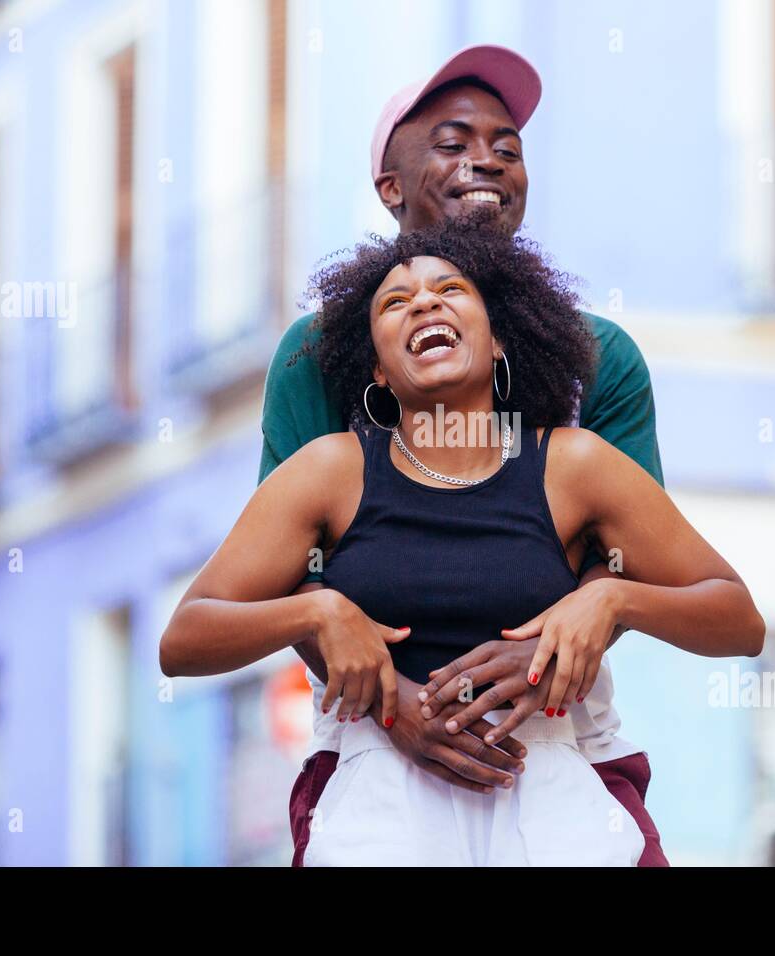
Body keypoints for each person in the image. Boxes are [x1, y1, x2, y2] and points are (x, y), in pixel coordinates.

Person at [160, 218, 765, 865]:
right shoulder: (328, 472)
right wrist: (317, 611)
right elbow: (183, 641)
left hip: (552, 802)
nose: (424, 302)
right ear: (377, 370)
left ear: (499, 340)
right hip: (381, 805)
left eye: (450, 290)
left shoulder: (576, 464)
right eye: (395, 302)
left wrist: (614, 599)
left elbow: (738, 619)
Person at [259, 45, 672, 865]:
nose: (486, 159)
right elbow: (285, 572)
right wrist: (394, 707)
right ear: (391, 187)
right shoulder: (317, 354)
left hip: (559, 744)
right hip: (373, 758)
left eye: (507, 147)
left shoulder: (601, 357)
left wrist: (561, 642)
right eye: (452, 143)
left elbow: (640, 563)